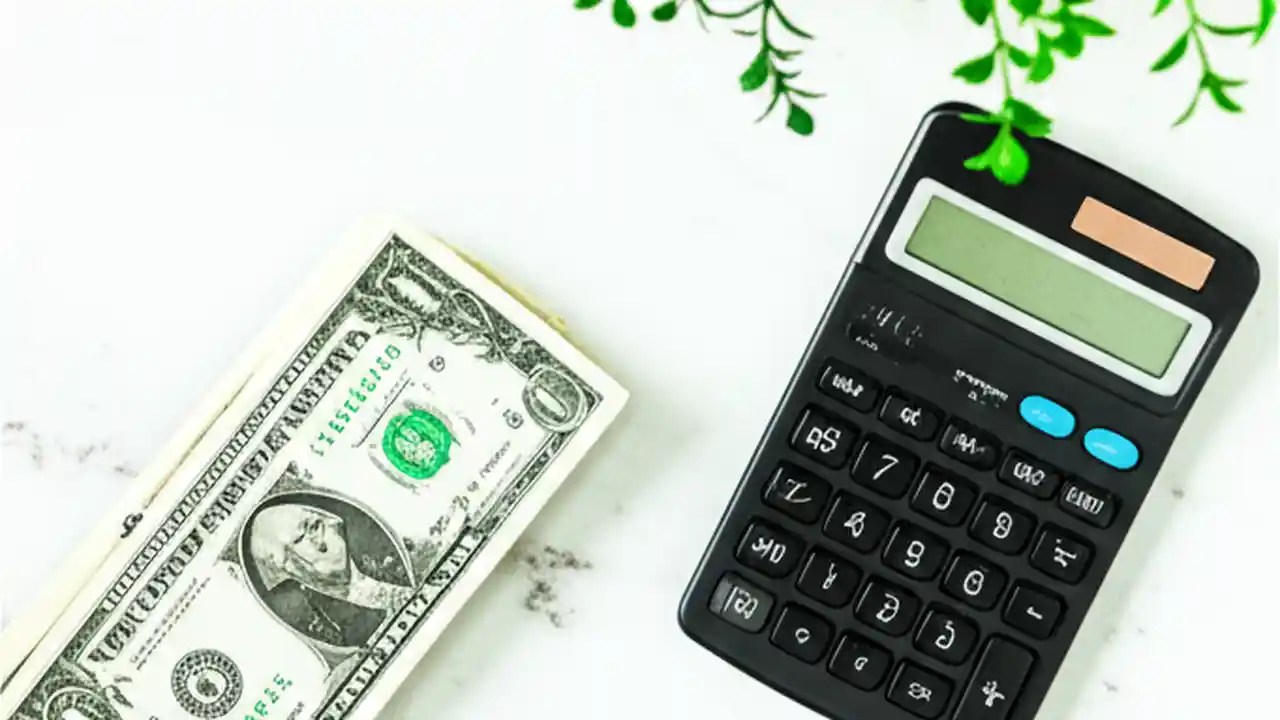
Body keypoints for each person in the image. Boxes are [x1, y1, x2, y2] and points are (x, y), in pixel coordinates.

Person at [244, 493, 414, 649]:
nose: (320, 542)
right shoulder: (335, 630)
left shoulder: (386, 557)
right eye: (302, 536)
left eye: (315, 525)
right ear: (285, 565)